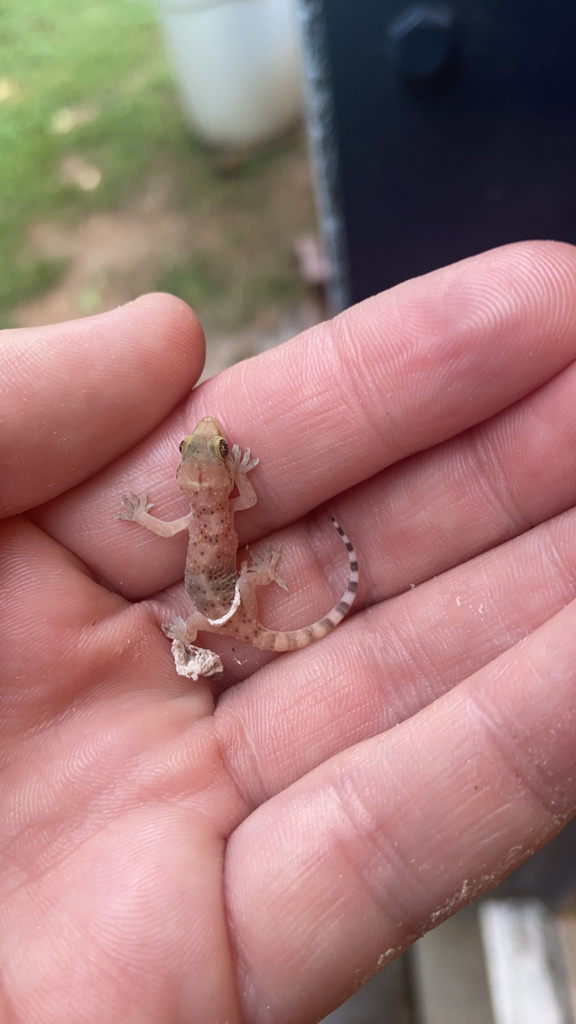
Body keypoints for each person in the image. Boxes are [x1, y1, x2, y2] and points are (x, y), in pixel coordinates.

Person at [1, 240, 575, 1023]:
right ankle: (264, 602)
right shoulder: (224, 504)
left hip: (216, 603)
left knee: (228, 612)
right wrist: (248, 525)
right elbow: (225, 504)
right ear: (206, 478)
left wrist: (149, 518)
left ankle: (256, 607)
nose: (204, 446)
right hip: (222, 603)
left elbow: (171, 525)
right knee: (233, 609)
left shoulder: (195, 513)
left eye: (206, 452)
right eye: (204, 452)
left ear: (192, 481)